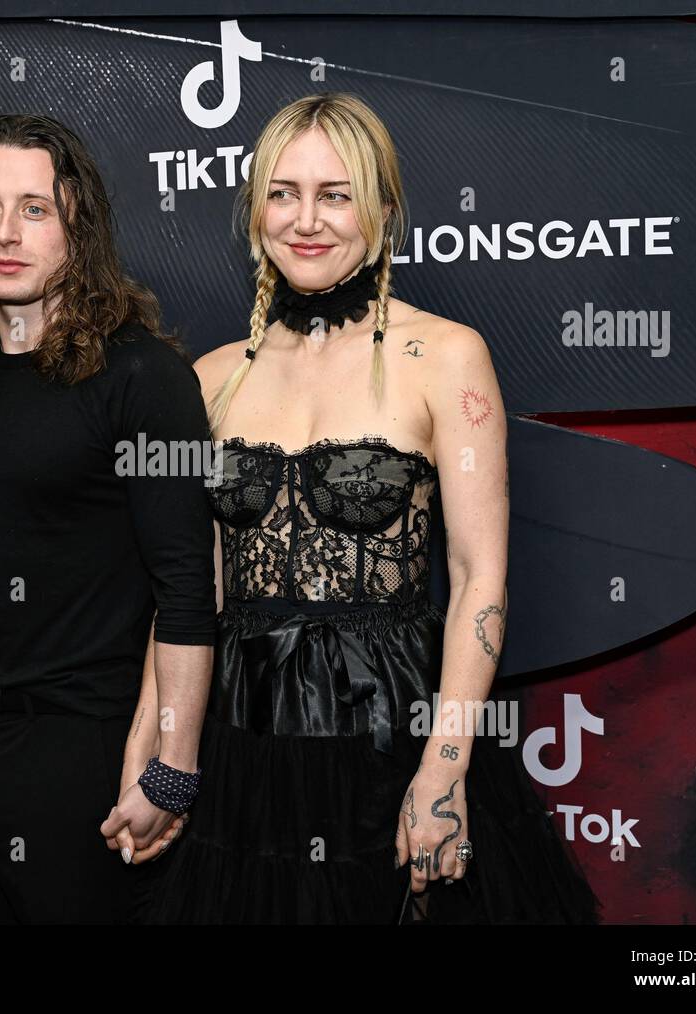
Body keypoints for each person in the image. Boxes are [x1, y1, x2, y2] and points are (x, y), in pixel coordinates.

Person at [133, 92, 603, 924]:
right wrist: (154, 755)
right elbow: (189, 601)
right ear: (254, 210)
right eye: (283, 193)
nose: (306, 219)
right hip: (241, 744)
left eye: (336, 194)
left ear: (382, 210)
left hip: (392, 733)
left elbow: (478, 575)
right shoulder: (208, 379)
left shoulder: (446, 357)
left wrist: (445, 768)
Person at [0, 113, 214, 924]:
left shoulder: (143, 376)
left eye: (36, 208)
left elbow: (187, 588)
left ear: (79, 229)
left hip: (83, 758)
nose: (7, 231)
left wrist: (170, 770)